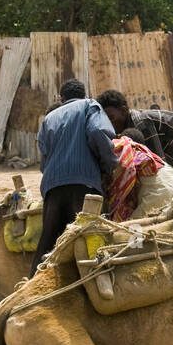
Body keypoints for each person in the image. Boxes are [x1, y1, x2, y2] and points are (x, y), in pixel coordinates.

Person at [31, 88, 117, 275]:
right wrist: (109, 166)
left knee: (48, 244)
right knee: (90, 242)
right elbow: (98, 131)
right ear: (84, 94)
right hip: (84, 185)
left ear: (61, 98)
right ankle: (99, 288)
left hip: (53, 186)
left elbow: (44, 154)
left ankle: (30, 287)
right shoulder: (90, 106)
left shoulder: (50, 117)